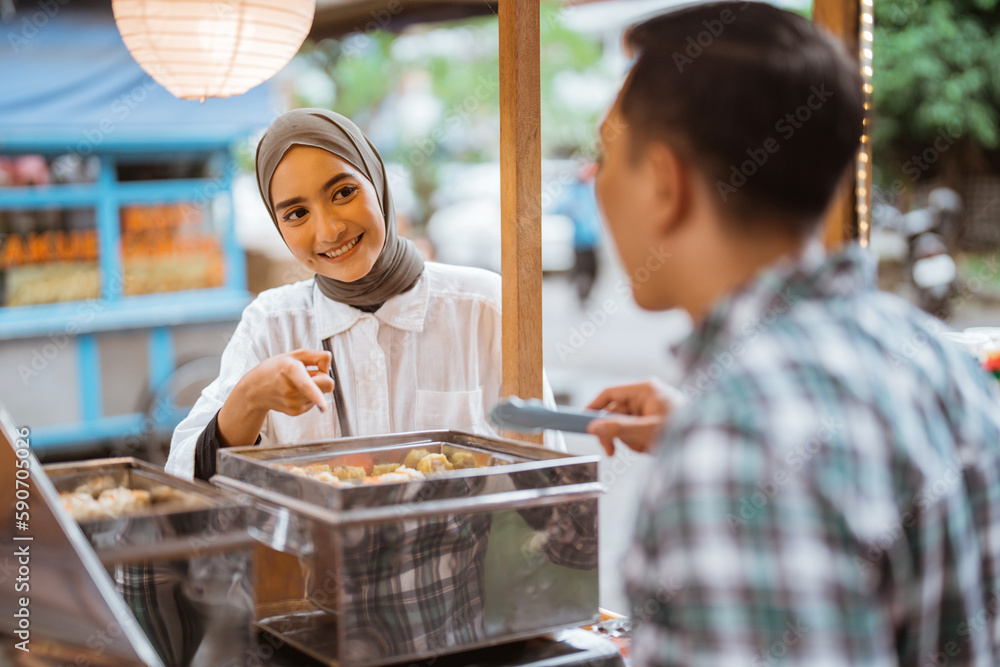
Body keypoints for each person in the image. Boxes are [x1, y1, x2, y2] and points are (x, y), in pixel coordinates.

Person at [581, 3, 1000, 665]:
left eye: (606, 153)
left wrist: (718, 438)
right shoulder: (932, 358)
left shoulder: (739, 444)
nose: (596, 182)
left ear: (665, 183)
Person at [166, 109, 562, 481]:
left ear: (378, 181)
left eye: (343, 192)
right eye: (296, 214)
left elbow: (551, 479)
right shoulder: (271, 325)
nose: (328, 230)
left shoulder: (484, 308)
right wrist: (250, 398)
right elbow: (184, 476)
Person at [552, 161, 603, 304]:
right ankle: (582, 296)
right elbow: (559, 208)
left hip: (594, 239)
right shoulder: (572, 191)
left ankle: (586, 293)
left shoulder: (593, 187)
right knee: (582, 269)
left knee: (594, 270)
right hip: (579, 240)